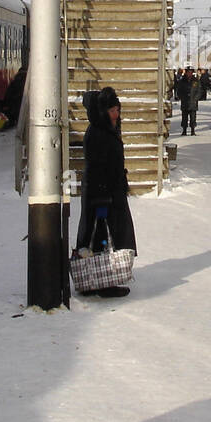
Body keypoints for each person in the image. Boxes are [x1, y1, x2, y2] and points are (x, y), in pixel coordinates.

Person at [74, 86, 136, 298]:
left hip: (106, 192)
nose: (116, 115)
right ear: (103, 112)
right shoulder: (99, 133)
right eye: (112, 111)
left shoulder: (105, 129)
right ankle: (103, 282)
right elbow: (98, 167)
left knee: (98, 237)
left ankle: (93, 281)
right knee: (103, 238)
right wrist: (102, 199)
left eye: (117, 110)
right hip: (102, 195)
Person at [176, 67, 198, 135]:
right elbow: (179, 91)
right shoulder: (182, 81)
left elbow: (199, 90)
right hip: (185, 102)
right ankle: (184, 130)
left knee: (193, 117)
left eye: (191, 72)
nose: (189, 73)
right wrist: (182, 97)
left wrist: (195, 98)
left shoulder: (196, 81)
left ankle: (193, 130)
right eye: (188, 72)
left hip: (193, 102)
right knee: (184, 117)